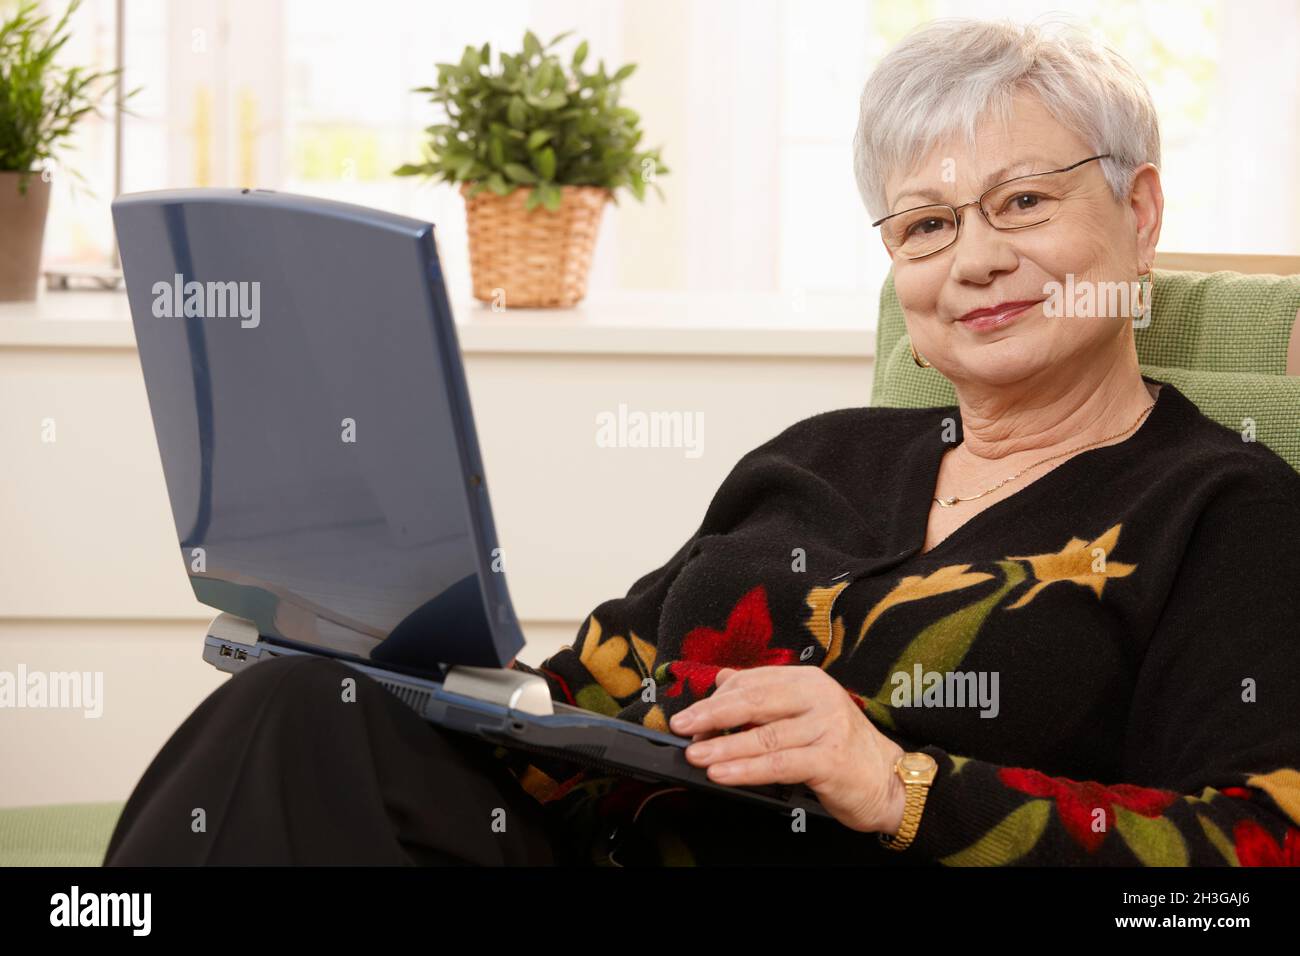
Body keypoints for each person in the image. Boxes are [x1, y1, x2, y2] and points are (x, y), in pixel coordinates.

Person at [106, 17, 1300, 867]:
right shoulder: (817, 456)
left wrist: (894, 785)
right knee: (299, 712)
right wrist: (389, 666)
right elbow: (575, 706)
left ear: (1138, 214)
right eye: (927, 223)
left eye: (1023, 202)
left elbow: (1264, 845)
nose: (974, 258)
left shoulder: (1225, 511)